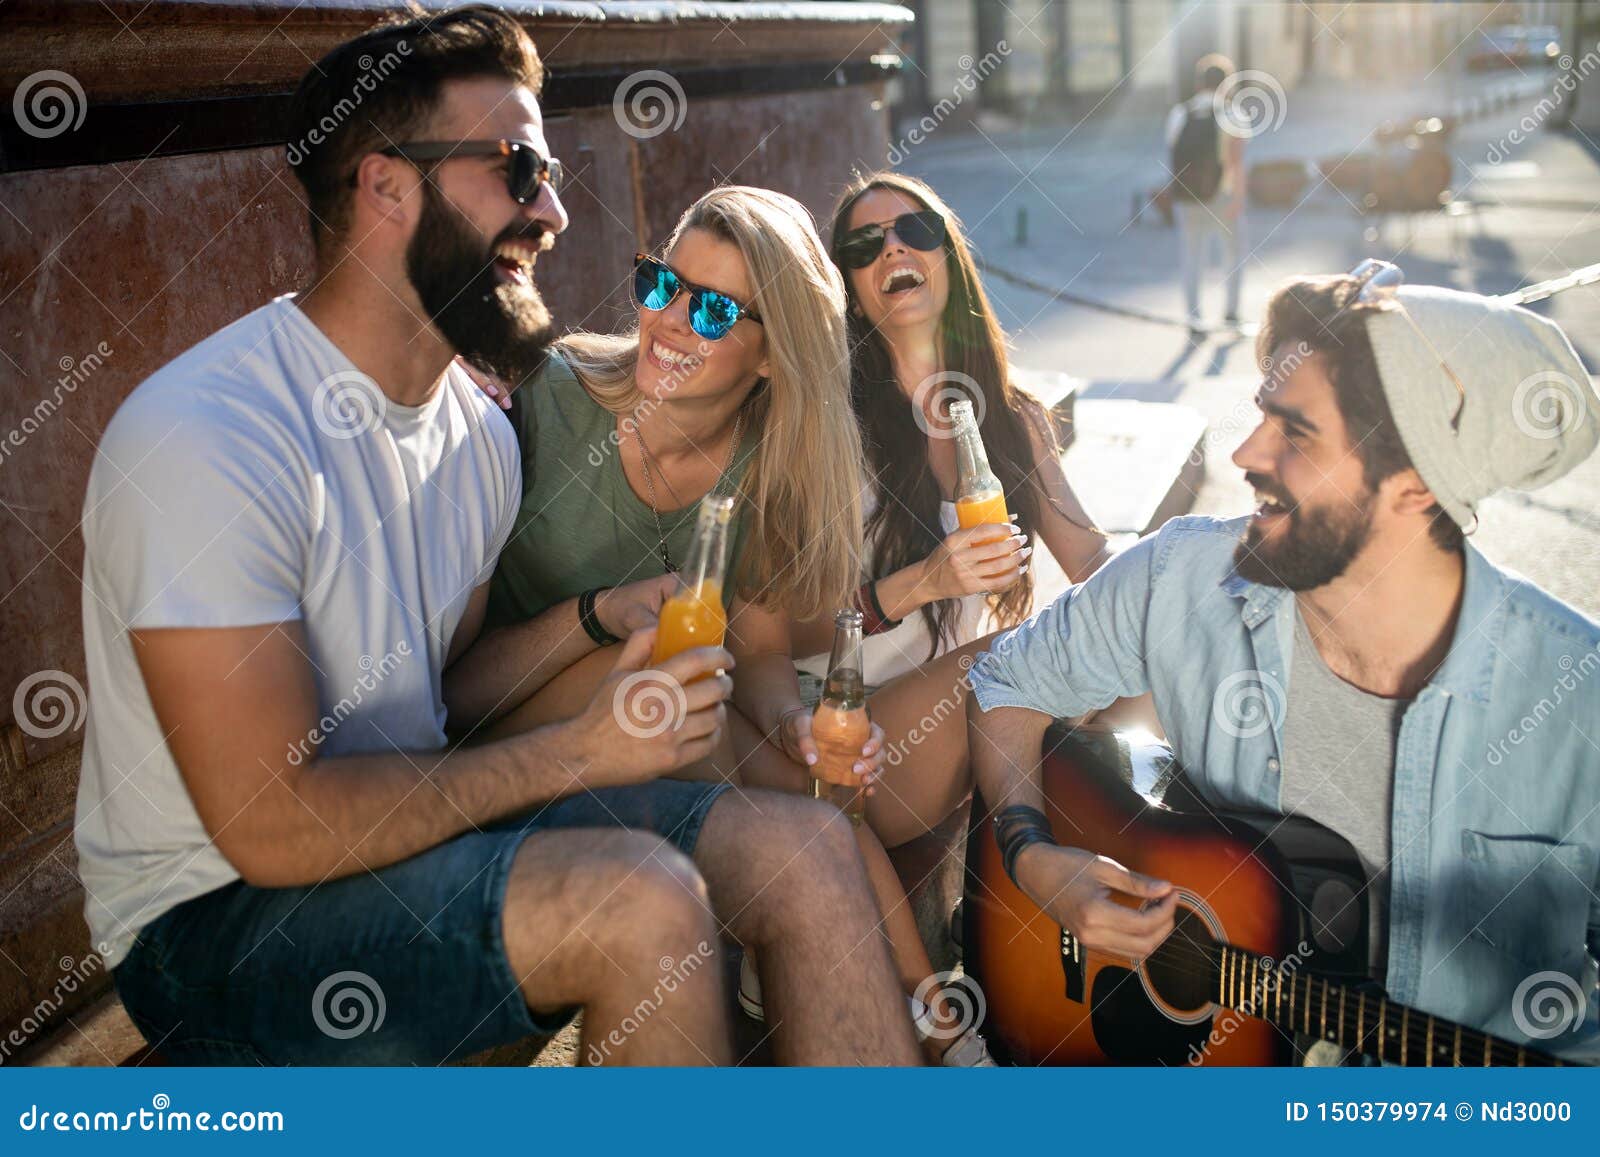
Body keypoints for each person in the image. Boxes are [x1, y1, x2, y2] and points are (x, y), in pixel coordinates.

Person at [75, 7, 917, 1067]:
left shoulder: (475, 433)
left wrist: (595, 631)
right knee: (642, 902)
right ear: (386, 186)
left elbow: (448, 696)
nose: (556, 211)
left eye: (551, 173)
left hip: (421, 839)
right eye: (518, 170)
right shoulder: (213, 432)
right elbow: (272, 827)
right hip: (214, 920)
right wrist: (579, 749)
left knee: (808, 849)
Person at [965, 263, 1600, 1060]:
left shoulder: (1575, 694)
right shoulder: (1182, 578)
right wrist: (1034, 858)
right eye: (1262, 415)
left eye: (1294, 432)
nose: (1243, 452)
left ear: (1414, 484)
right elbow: (1006, 683)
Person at [458, 184, 989, 1064]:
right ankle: (944, 1038)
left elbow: (767, 655)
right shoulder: (538, 401)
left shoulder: (763, 460)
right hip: (494, 736)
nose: (669, 321)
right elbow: (448, 684)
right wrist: (595, 618)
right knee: (681, 699)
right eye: (662, 285)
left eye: (710, 309)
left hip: (655, 735)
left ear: (775, 355)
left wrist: (788, 722)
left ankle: (930, 1033)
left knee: (816, 803)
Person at [776, 172, 1109, 858]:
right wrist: (922, 582)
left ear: (948, 258)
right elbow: (778, 629)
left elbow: (1094, 564)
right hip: (846, 730)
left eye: (915, 231)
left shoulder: (1015, 419)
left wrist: (1189, 581)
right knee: (1016, 656)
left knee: (1131, 651)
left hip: (957, 712)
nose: (893, 249)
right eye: (865, 245)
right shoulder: (830, 427)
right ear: (853, 291)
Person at [1164, 54, 1247, 340]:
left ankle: (1195, 319)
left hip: (1187, 197)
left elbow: (1172, 152)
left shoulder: (1180, 113)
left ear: (1200, 83)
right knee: (1232, 253)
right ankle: (1231, 314)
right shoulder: (1232, 113)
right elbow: (1236, 161)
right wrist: (1238, 197)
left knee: (1191, 255)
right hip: (1220, 196)